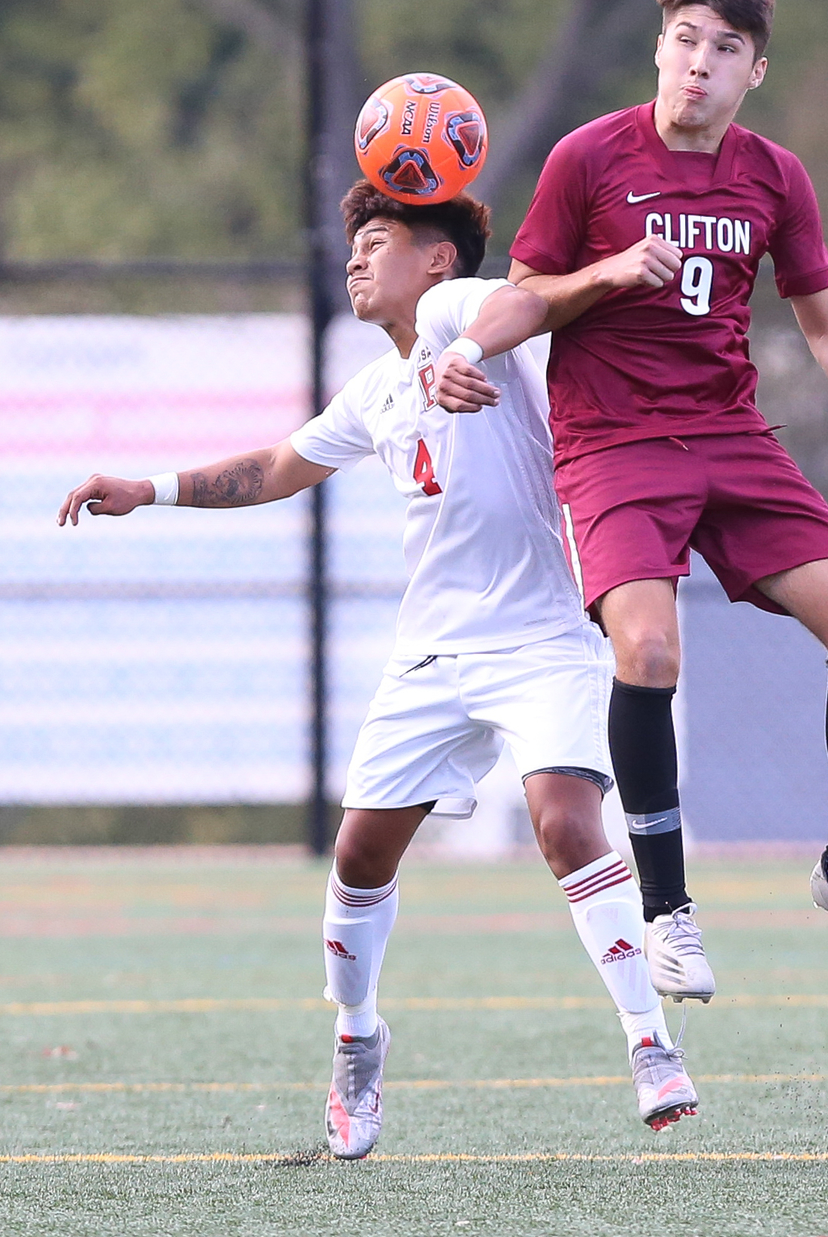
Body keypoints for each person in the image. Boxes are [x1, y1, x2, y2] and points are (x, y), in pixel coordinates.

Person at [57, 184, 699, 1158]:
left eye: (377, 240)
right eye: (352, 244)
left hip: (538, 640)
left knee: (566, 819)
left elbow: (520, 305)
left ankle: (650, 1041)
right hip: (432, 651)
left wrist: (597, 276)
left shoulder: (456, 314)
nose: (355, 260)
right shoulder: (378, 385)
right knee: (358, 857)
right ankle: (357, 1035)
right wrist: (147, 489)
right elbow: (278, 466)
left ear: (436, 260)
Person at [485, 0, 828, 1000]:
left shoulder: (775, 175)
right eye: (685, 40)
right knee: (646, 649)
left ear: (753, 71)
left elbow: (823, 321)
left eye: (723, 49)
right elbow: (516, 303)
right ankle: (669, 912)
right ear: (658, 47)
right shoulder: (586, 159)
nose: (699, 63)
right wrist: (582, 283)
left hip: (729, 436)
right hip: (611, 442)